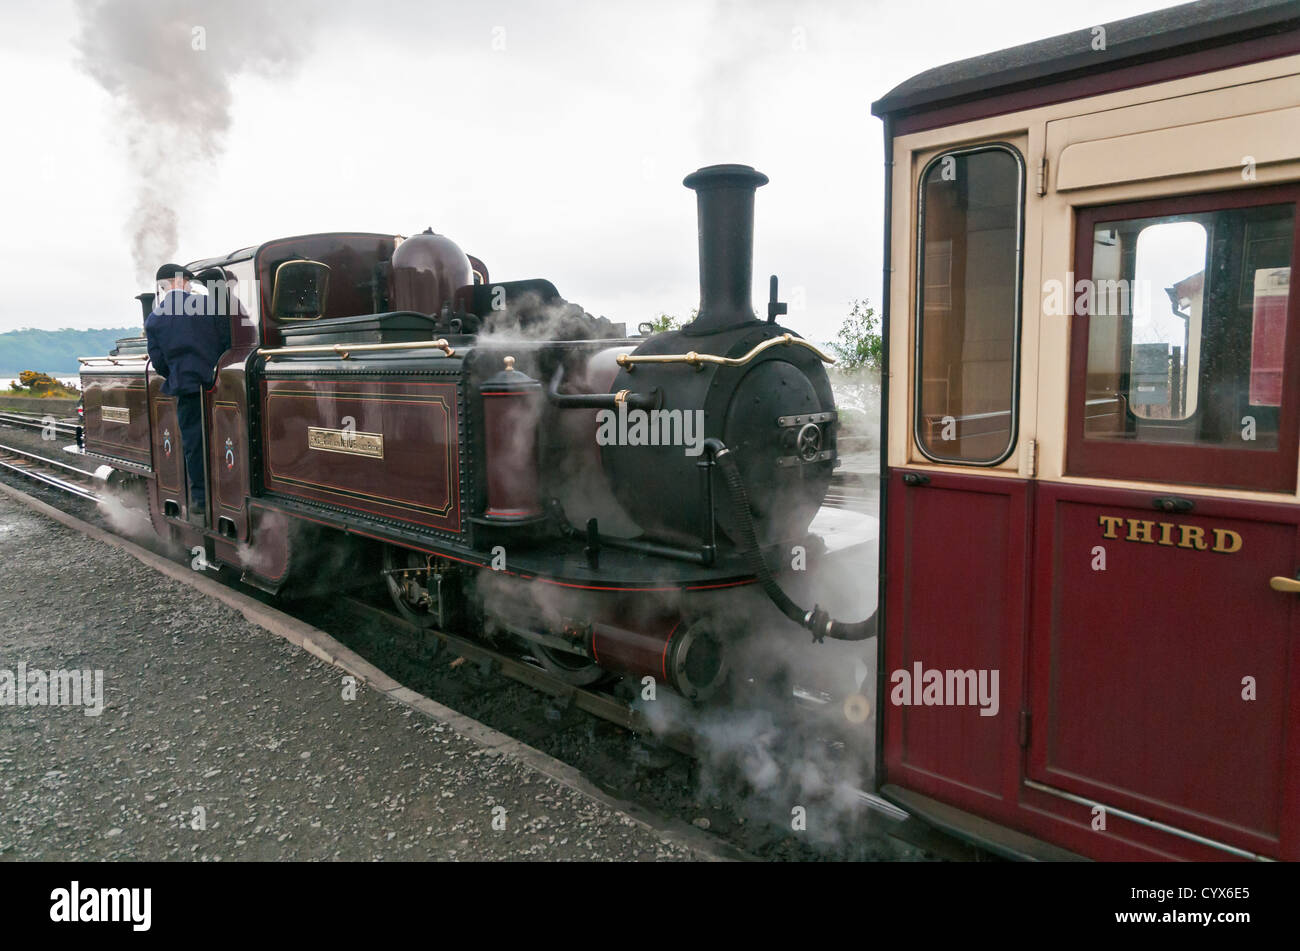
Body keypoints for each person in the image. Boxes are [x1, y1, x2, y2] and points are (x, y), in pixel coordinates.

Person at [144, 263, 231, 517]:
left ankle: (201, 500)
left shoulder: (155, 319)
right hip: (221, 385)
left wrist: (179, 374)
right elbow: (227, 341)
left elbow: (159, 362)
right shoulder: (209, 306)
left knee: (193, 444)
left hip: (186, 388)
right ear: (182, 282)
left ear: (164, 286)